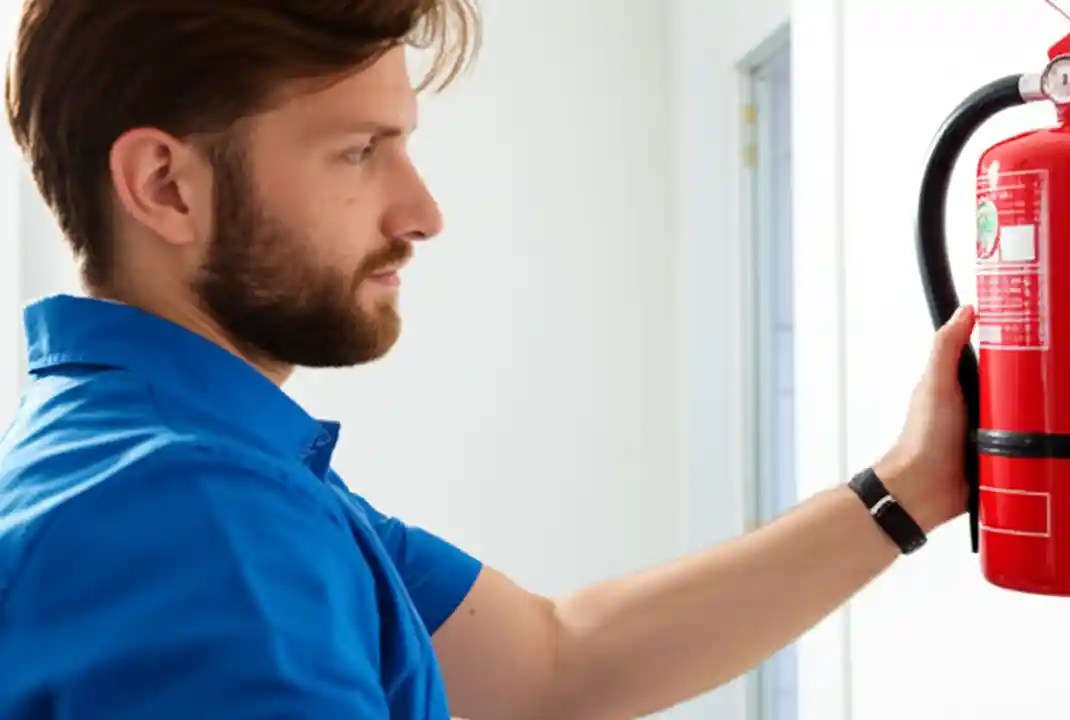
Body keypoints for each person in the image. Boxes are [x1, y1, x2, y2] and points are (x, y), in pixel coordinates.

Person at [0, 1, 975, 718]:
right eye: (358, 151)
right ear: (165, 186)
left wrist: (911, 484)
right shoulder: (193, 520)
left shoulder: (178, 467)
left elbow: (558, 664)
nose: (420, 212)